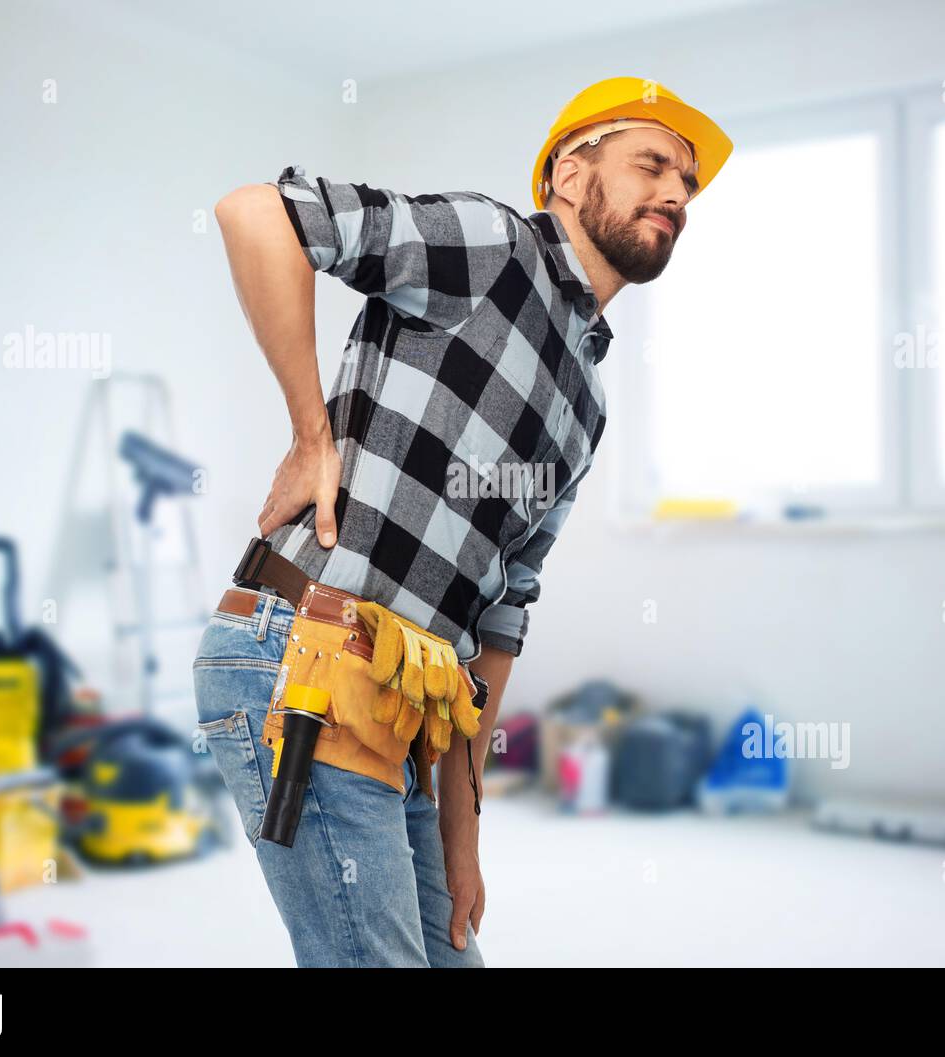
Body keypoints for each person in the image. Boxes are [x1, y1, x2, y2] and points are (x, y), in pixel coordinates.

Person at [194, 76, 732, 967]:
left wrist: (462, 833)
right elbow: (258, 214)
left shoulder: (586, 401)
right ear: (569, 170)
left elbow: (499, 621)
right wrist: (308, 434)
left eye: (688, 184)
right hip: (300, 665)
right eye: (653, 164)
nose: (677, 193)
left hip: (405, 708)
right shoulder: (492, 247)